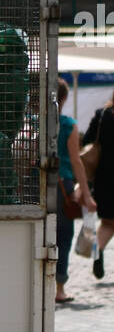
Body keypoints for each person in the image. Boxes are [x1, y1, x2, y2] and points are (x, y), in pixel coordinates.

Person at [56, 79, 96, 302]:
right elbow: (76, 161)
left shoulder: (35, 122)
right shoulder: (69, 125)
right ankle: (59, 289)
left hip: (34, 184)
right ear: (64, 98)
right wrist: (87, 195)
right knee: (63, 236)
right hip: (63, 186)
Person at [88, 93, 114, 280]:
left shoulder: (102, 114)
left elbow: (87, 142)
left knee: (107, 223)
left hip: (104, 177)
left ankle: (99, 249)